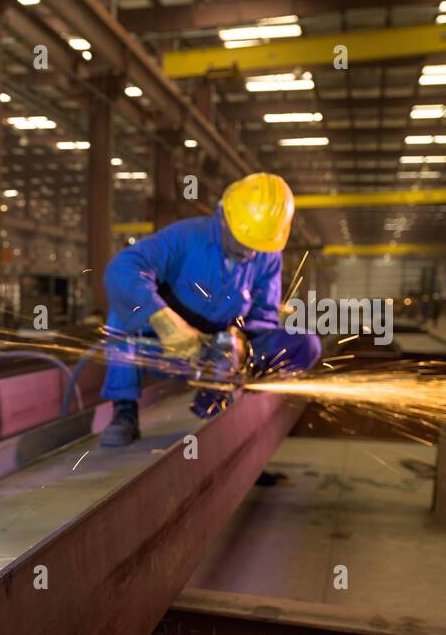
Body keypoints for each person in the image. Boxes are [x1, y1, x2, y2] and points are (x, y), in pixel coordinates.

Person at [98, 172, 320, 446]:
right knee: (123, 312)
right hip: (165, 345)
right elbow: (123, 269)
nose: (250, 253)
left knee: (305, 345)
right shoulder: (187, 236)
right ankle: (124, 410)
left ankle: (222, 395)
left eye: (258, 246)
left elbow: (263, 316)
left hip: (219, 349)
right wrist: (165, 323)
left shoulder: (268, 255)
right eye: (244, 241)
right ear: (224, 219)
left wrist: (239, 345)